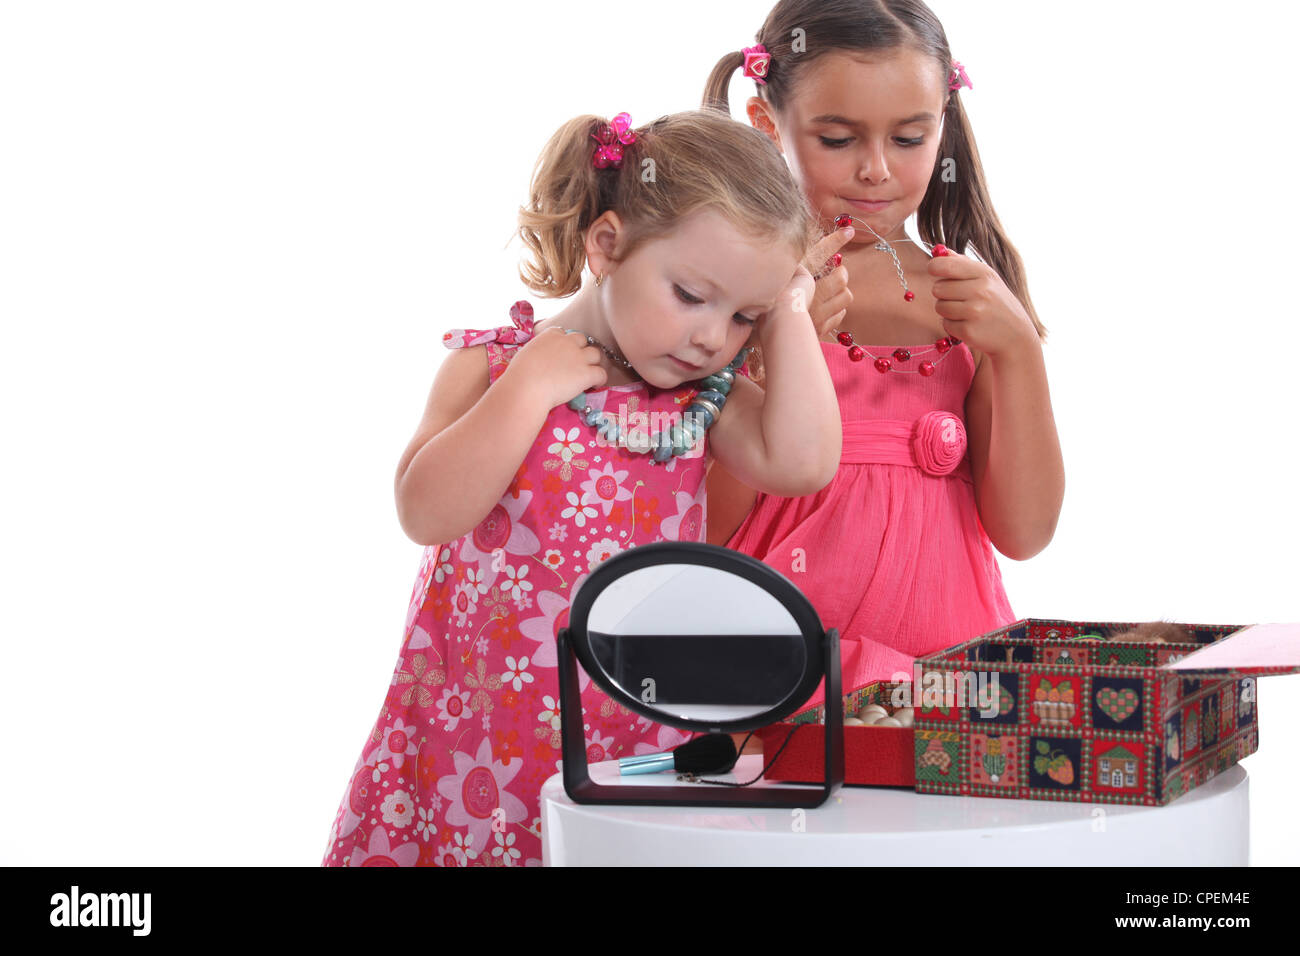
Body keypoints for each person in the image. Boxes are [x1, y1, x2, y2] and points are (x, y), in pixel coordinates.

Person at [320, 109, 842, 866]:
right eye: (691, 295)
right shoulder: (495, 368)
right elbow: (425, 511)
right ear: (607, 245)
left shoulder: (702, 400)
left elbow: (803, 463)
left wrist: (790, 308)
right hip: (475, 732)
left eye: (742, 317)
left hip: (633, 733)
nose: (710, 336)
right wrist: (527, 389)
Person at [701, 0, 1065, 699]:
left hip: (947, 679)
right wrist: (775, 357)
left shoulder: (971, 302)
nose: (876, 170)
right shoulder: (738, 290)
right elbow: (701, 530)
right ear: (767, 122)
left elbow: (1024, 531)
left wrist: (1020, 352)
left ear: (943, 126)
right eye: (837, 139)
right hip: (772, 673)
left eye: (908, 138)